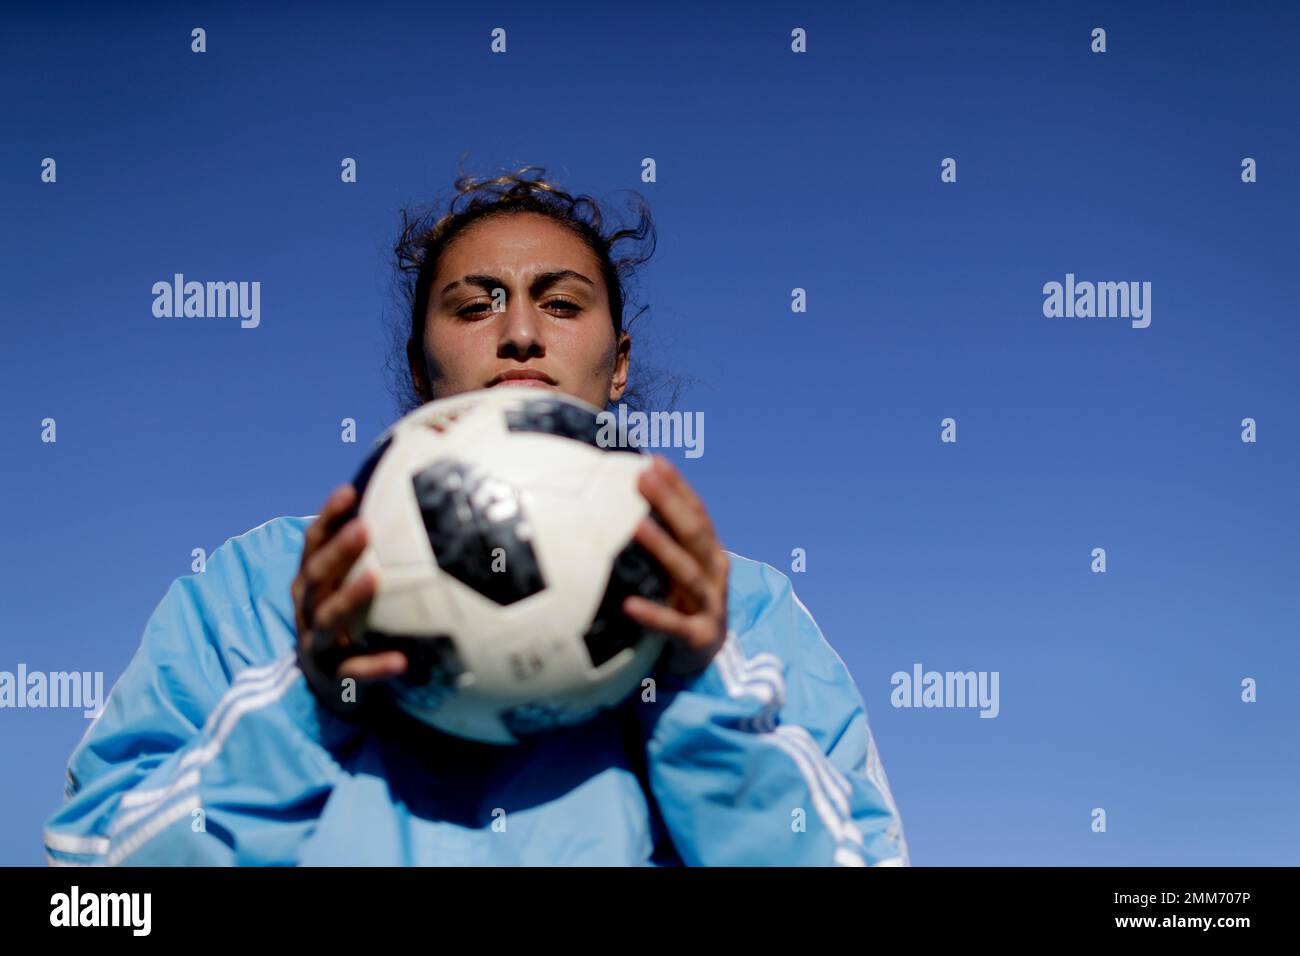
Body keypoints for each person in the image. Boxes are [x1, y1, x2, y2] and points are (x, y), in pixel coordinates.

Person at [43, 167, 908, 866]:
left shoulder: (742, 609)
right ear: (421, 367)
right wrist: (309, 702)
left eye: (562, 304)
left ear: (618, 364)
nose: (522, 332)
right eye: (475, 304)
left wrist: (694, 690)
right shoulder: (261, 584)